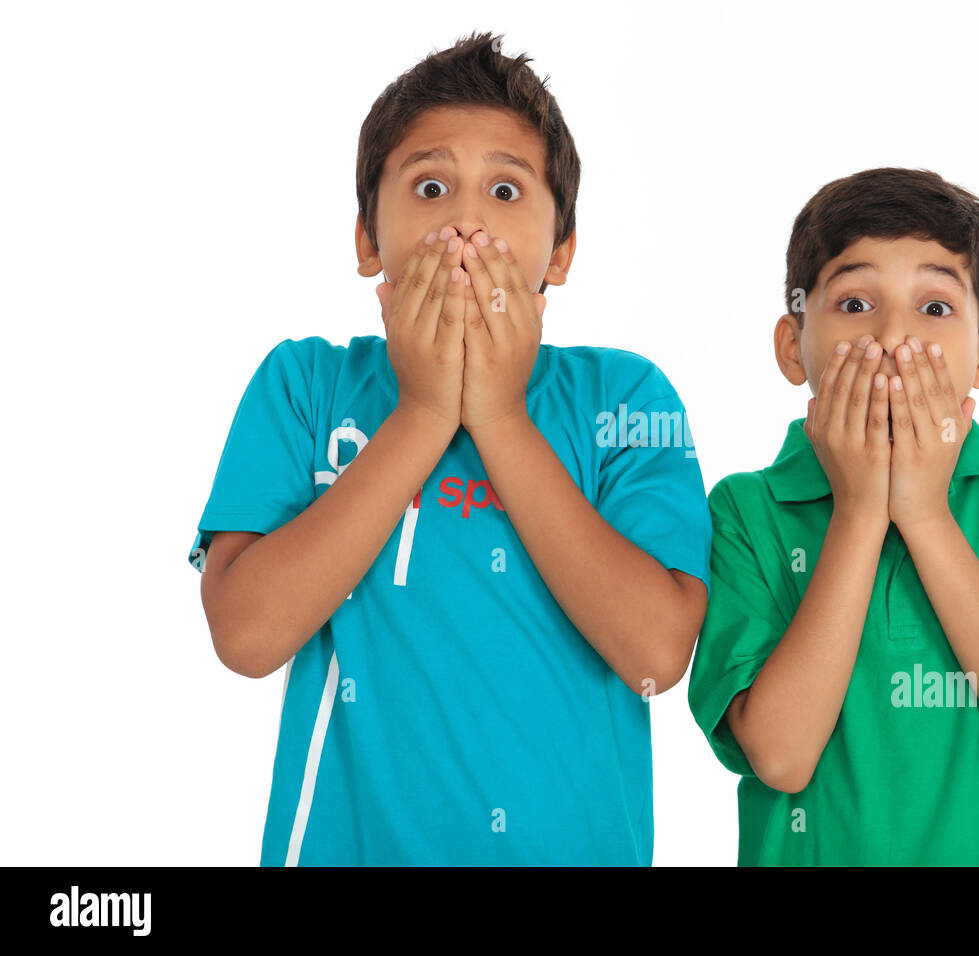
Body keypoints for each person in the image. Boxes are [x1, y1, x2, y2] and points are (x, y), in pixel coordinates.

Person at [186, 31, 709, 865]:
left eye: (506, 189)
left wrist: (499, 418)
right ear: (367, 240)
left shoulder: (626, 398)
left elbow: (654, 655)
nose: (467, 221)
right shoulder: (303, 384)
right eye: (431, 185)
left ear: (561, 252)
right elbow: (246, 638)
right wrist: (425, 413)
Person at [687, 167, 979, 865]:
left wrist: (924, 516)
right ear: (791, 346)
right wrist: (861, 512)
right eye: (857, 303)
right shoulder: (749, 512)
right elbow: (780, 756)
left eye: (936, 308)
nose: (893, 337)